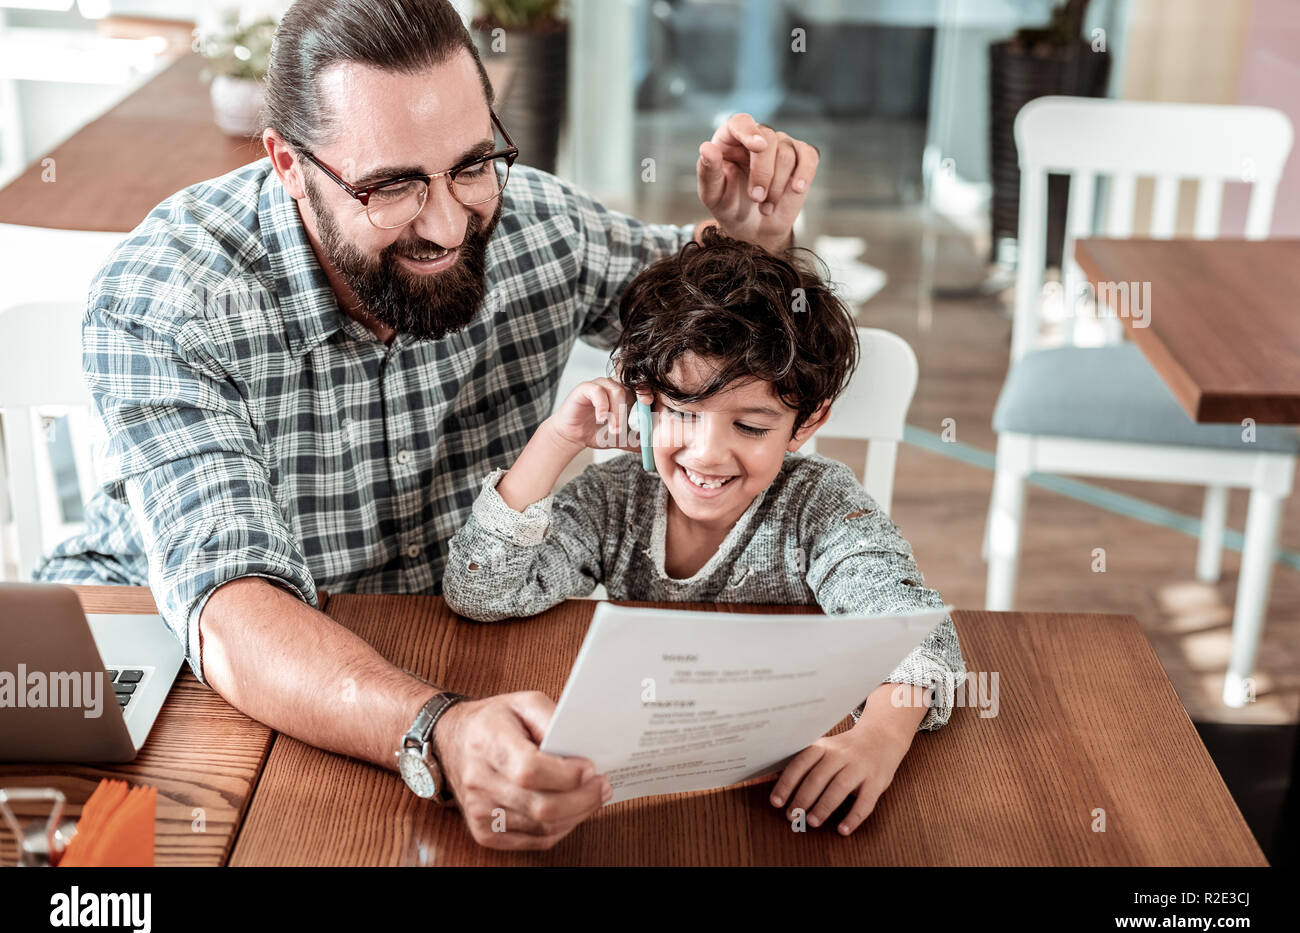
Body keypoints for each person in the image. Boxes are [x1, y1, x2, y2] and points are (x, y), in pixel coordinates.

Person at [32, 0, 819, 851]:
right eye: (392, 186)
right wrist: (437, 731)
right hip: (180, 666)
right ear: (288, 165)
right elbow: (230, 607)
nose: (447, 224)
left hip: (453, 648)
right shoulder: (173, 298)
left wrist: (753, 240)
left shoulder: (538, 225)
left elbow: (709, 321)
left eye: (471, 165)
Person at [442, 228, 965, 836]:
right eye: (683, 414)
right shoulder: (616, 499)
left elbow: (917, 636)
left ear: (805, 423)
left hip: (775, 784)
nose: (708, 455)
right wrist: (558, 440)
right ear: (645, 400)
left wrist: (877, 738)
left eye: (750, 426)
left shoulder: (819, 507)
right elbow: (482, 591)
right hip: (646, 792)